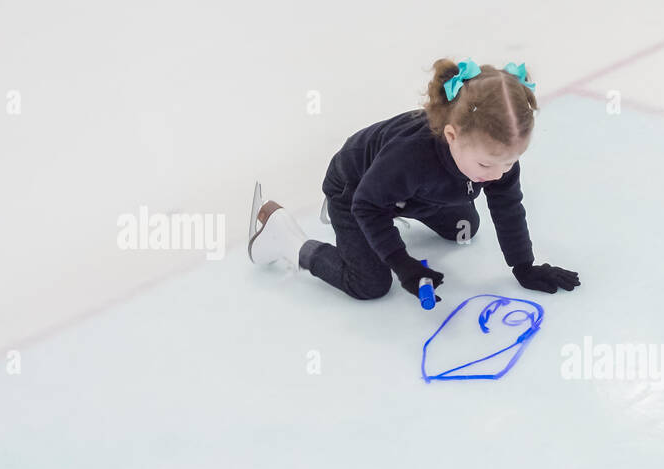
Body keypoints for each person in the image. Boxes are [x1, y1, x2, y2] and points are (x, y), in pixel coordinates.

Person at [247, 58, 581, 302]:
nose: (499, 175)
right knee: (371, 285)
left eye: (511, 162)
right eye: (486, 165)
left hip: (408, 192)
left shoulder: (497, 156)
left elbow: (507, 206)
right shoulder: (411, 157)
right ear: (452, 136)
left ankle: (397, 203)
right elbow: (367, 205)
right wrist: (402, 263)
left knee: (464, 227)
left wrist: (523, 266)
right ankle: (287, 239)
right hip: (354, 191)